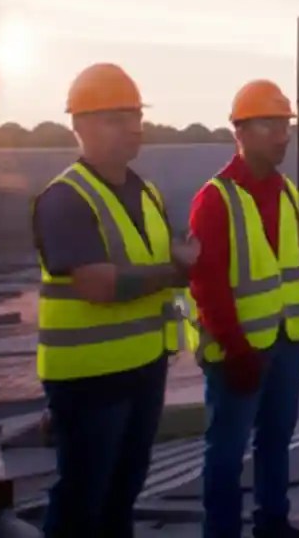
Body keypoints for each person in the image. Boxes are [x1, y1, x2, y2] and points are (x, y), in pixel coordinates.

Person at [33, 63, 196, 538]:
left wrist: (181, 260)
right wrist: (175, 271)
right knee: (82, 501)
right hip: (88, 380)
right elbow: (98, 286)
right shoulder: (64, 199)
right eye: (114, 117)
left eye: (134, 115)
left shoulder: (147, 193)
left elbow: (157, 261)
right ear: (79, 126)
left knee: (123, 493)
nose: (131, 127)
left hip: (144, 368)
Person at [186, 80, 299, 538]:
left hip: (285, 345)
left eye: (285, 125)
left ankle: (273, 522)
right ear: (241, 131)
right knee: (227, 455)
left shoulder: (288, 193)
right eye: (271, 125)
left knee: (275, 442)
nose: (283, 135)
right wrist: (236, 350)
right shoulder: (215, 199)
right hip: (239, 354)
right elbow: (207, 286)